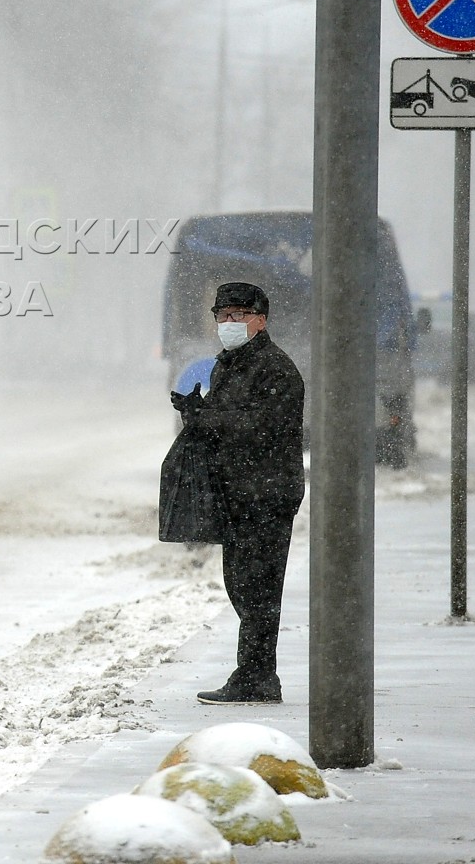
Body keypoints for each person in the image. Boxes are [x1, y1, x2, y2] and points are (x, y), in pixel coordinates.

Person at [173, 281, 306, 705]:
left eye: (237, 316)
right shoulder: (228, 364)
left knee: (259, 589)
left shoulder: (275, 369)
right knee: (241, 584)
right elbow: (230, 420)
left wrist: (207, 420)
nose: (228, 323)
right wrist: (197, 410)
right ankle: (254, 673)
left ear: (260, 320)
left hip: (266, 494)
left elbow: (261, 427)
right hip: (240, 492)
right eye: (222, 316)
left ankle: (257, 676)